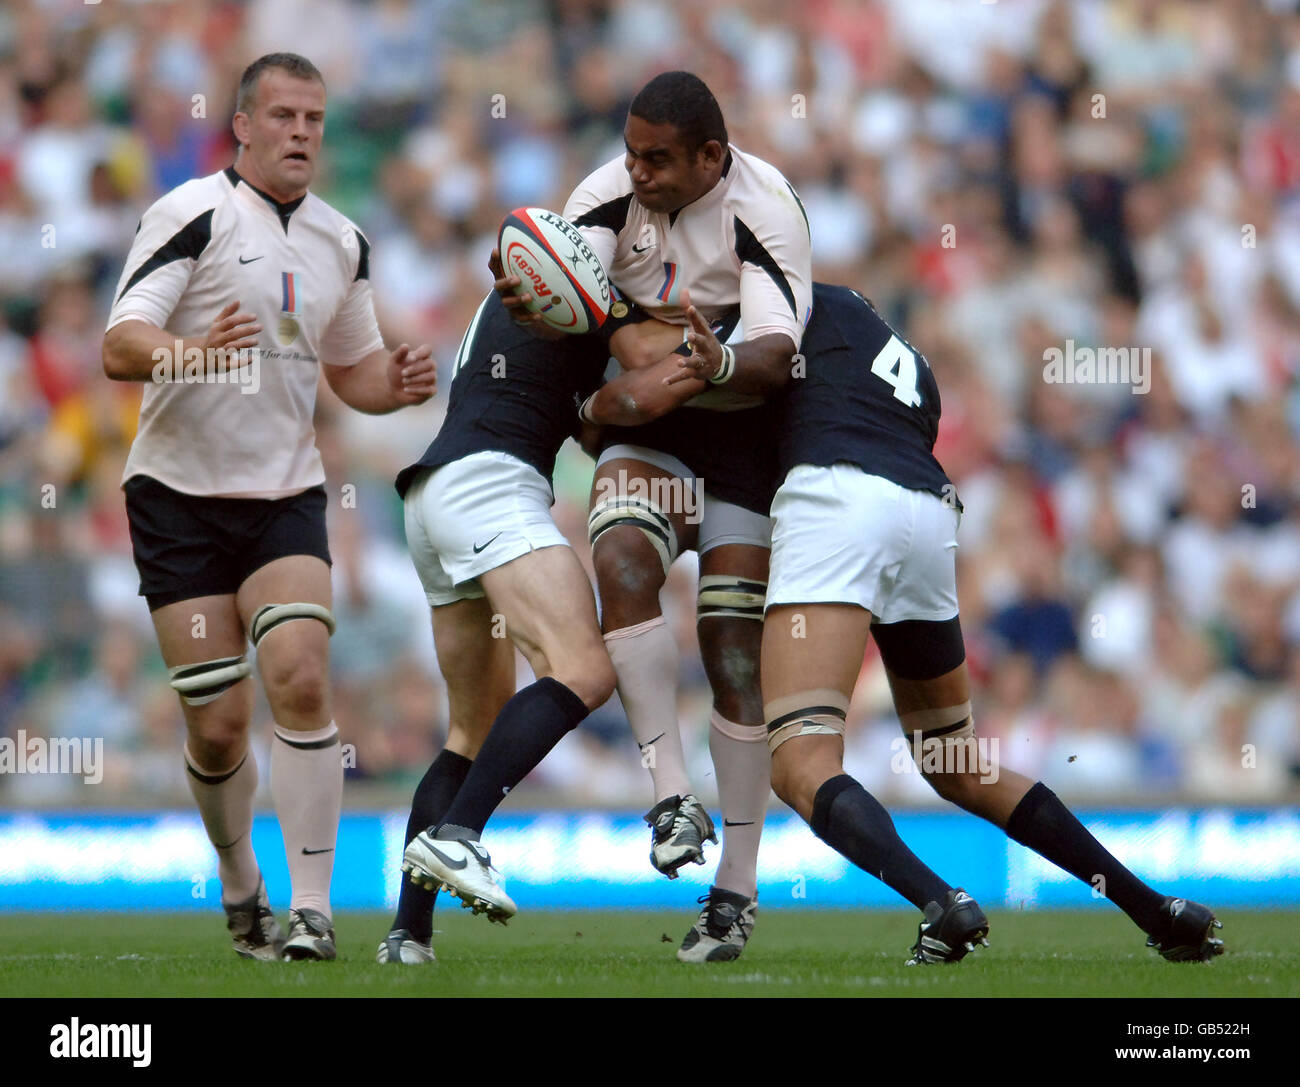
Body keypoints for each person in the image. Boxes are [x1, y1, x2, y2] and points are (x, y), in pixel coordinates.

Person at [586, 282, 1225, 964]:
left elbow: (697, 379)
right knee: (958, 763)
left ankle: (940, 902)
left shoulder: (775, 300)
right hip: (927, 511)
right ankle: (1157, 907)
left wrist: (591, 406)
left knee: (800, 761)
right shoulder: (898, 352)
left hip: (840, 501)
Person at [102, 53, 436, 962]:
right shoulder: (189, 215)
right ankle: (241, 876)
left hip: (285, 491)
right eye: (282, 116)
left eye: (315, 119)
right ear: (241, 126)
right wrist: (196, 351)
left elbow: (352, 371)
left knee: (298, 674)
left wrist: (394, 385)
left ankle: (314, 909)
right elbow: (122, 345)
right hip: (175, 494)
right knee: (215, 727)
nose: (301, 133)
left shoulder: (343, 240)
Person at [496, 70, 812, 963]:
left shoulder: (769, 207)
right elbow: (564, 311)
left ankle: (735, 893)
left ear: (713, 156)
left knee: (732, 650)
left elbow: (775, 357)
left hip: (746, 440)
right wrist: (541, 301)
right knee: (623, 556)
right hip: (660, 434)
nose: (635, 170)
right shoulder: (602, 198)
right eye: (631, 151)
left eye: (658, 158)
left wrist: (681, 363)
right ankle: (671, 794)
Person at [381, 289, 624, 963]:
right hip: (492, 484)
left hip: (433, 494)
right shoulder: (593, 284)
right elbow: (610, 419)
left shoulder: (529, 287)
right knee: (584, 668)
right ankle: (459, 833)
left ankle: (408, 933)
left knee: (473, 727)